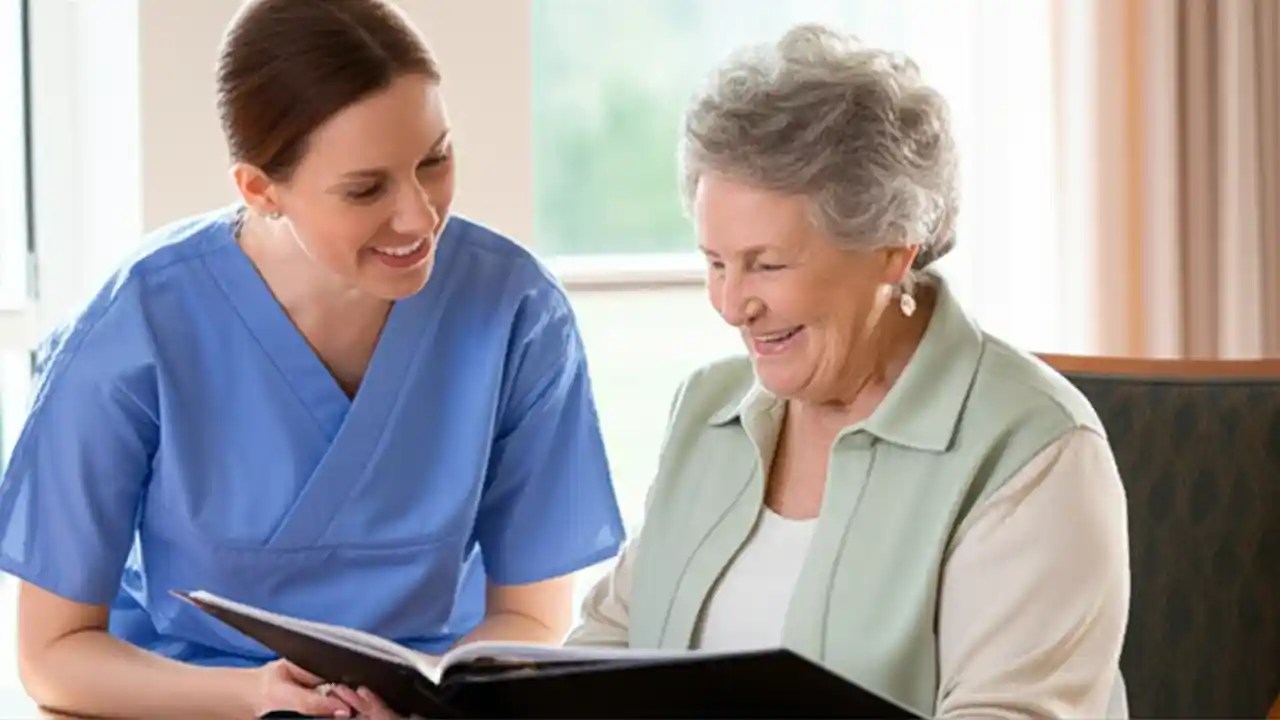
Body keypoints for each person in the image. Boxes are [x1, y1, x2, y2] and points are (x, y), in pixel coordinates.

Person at [0, 1, 624, 718]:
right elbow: (53, 657)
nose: (420, 216)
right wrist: (257, 698)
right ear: (260, 190)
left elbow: (532, 619)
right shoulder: (138, 323)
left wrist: (424, 702)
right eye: (366, 189)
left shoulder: (515, 310)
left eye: (435, 160)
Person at [565, 23, 1131, 719]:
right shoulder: (707, 410)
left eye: (767, 264)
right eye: (715, 262)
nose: (731, 304)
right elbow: (608, 646)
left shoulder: (1034, 450)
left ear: (892, 249)